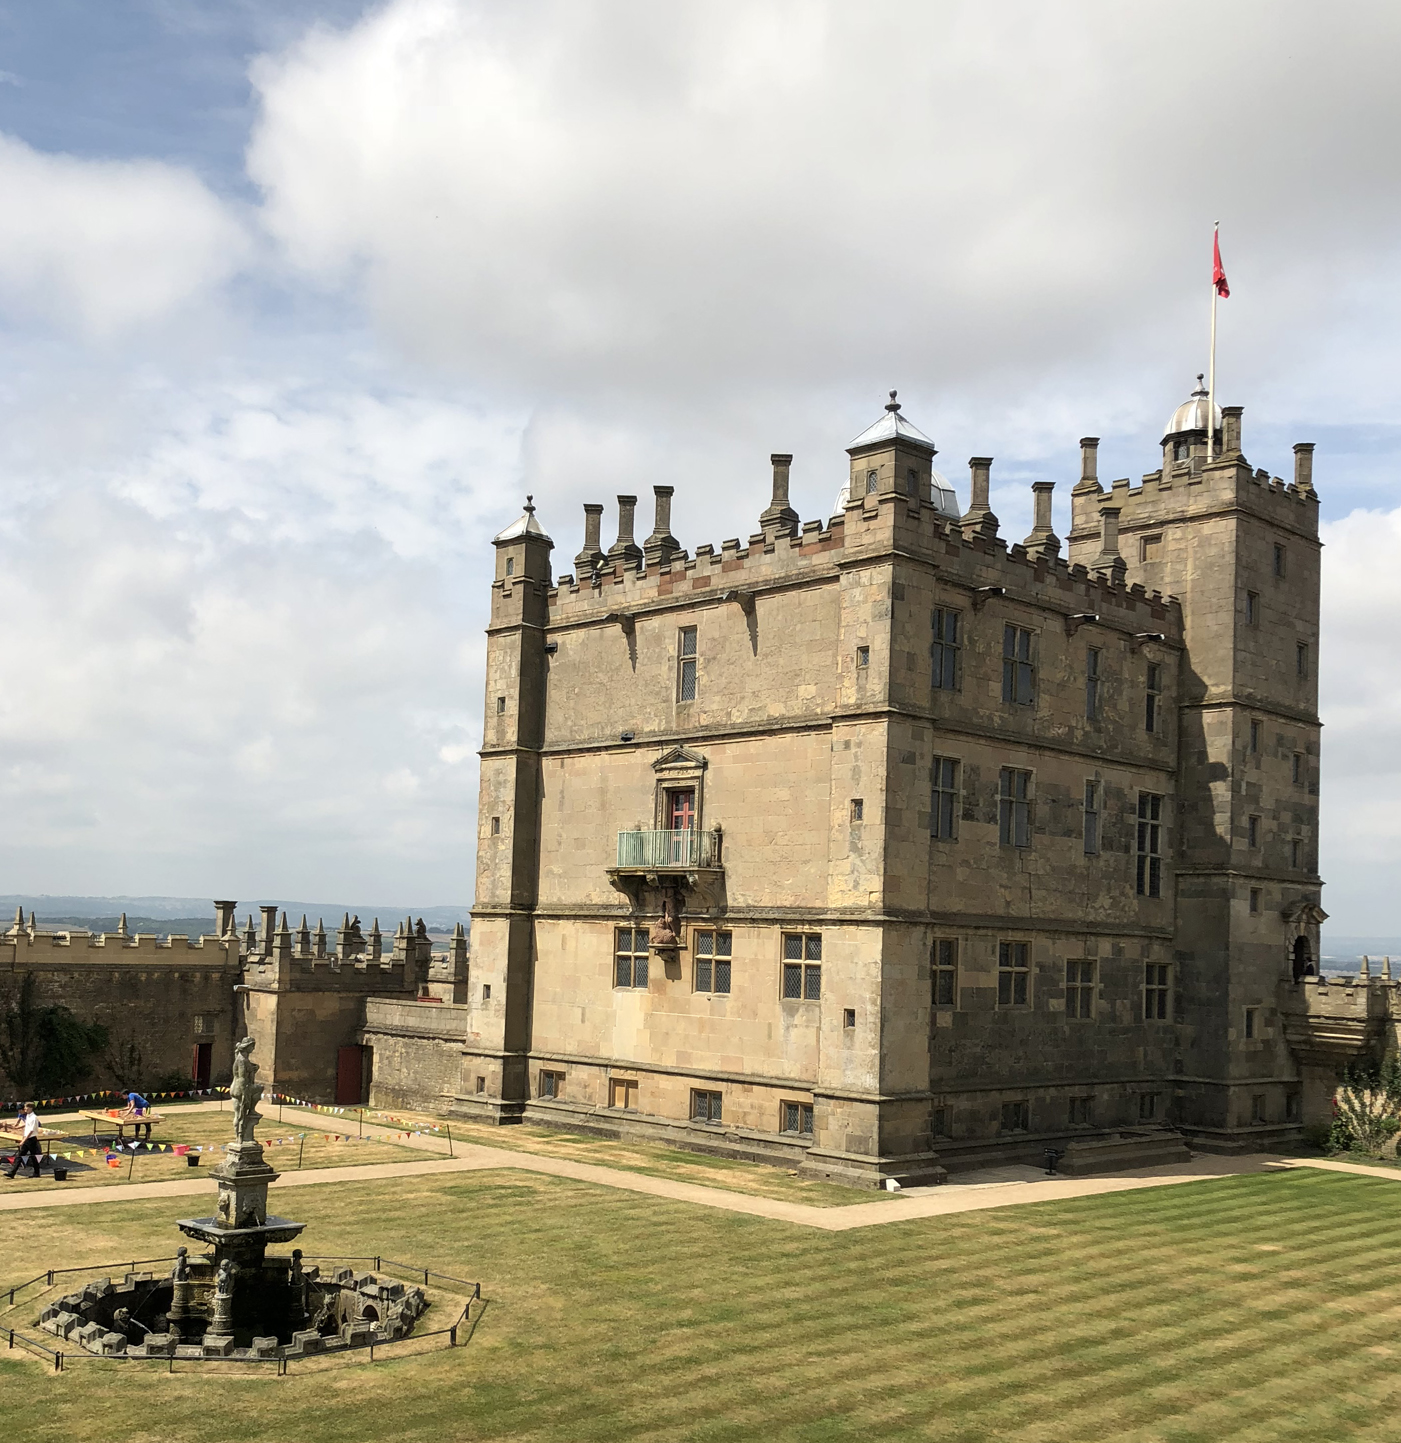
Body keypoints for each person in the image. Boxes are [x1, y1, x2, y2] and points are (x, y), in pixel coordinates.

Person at [5, 1103, 42, 1179]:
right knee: (20, 1155)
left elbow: (31, 1131)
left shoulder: (34, 1118)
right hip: (27, 1138)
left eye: (26, 1108)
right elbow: (26, 1127)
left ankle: (36, 1172)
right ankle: (12, 1173)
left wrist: (23, 1140)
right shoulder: (28, 1116)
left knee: (33, 1157)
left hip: (31, 1139)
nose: (25, 1110)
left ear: (31, 1108)